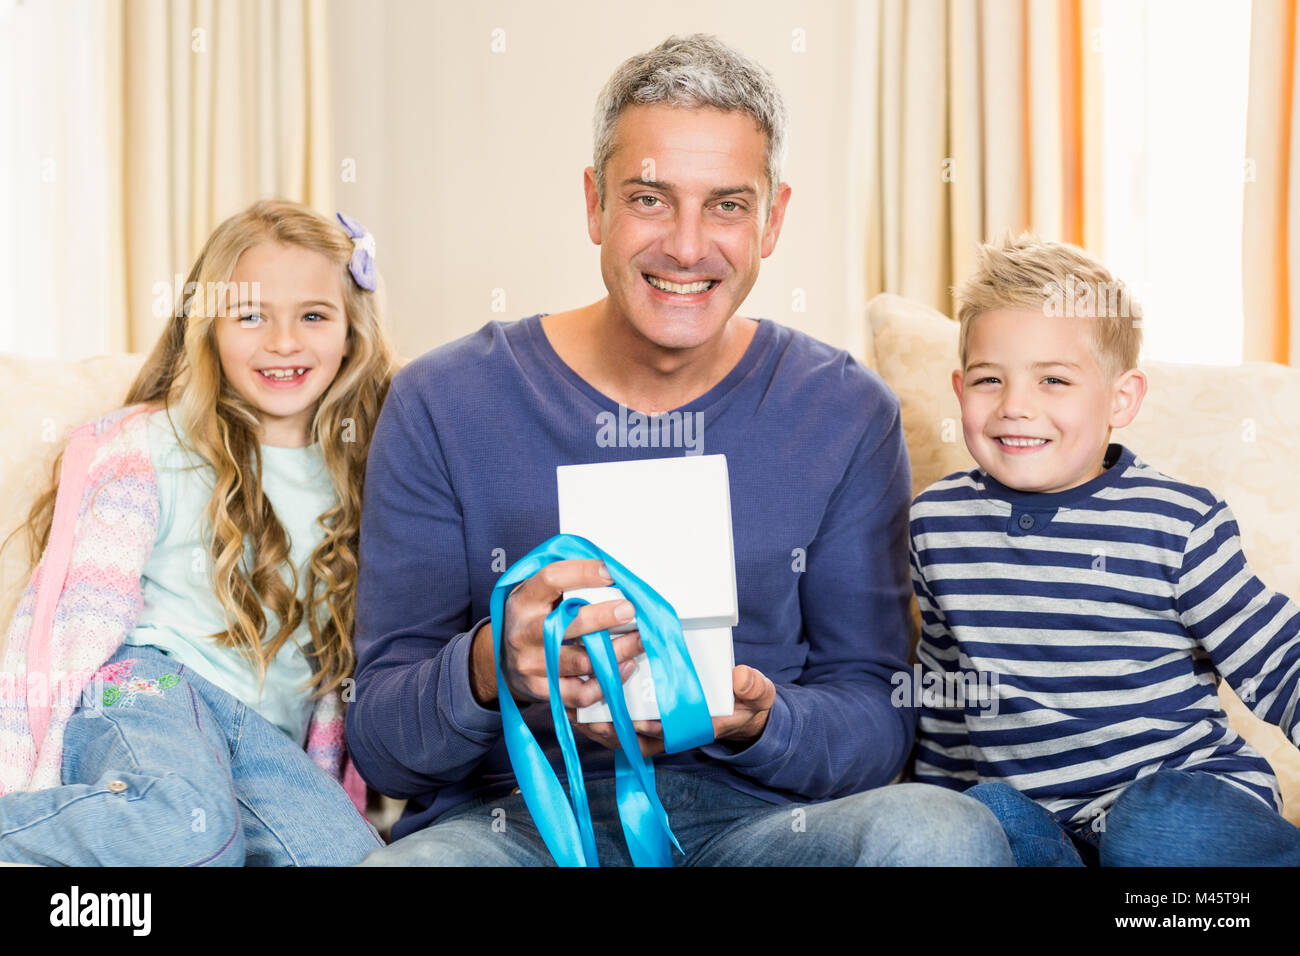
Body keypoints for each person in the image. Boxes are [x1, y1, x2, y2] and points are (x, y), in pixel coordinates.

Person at [349, 34, 1012, 866]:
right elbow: (382, 744)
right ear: (595, 204)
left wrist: (762, 720)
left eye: (728, 205)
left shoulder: (844, 412)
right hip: (517, 820)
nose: (689, 247)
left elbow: (876, 719)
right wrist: (492, 667)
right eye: (651, 200)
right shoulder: (443, 403)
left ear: (773, 219)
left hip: (762, 822)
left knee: (941, 834)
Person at [0, 199, 398, 865]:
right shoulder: (152, 444)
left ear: (352, 331)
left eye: (313, 315)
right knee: (184, 830)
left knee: (351, 861)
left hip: (263, 738)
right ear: (208, 325)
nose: (283, 341)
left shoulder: (368, 464)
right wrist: (26, 756)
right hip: (149, 688)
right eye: (251, 315)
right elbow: (68, 623)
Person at [909, 232, 1300, 866]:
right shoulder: (936, 521)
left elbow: (1280, 660)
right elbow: (948, 686)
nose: (1015, 407)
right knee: (985, 815)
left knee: (1152, 825)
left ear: (1121, 398)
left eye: (1053, 380)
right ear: (959, 390)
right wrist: (936, 810)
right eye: (989, 380)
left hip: (1183, 801)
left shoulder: (1177, 522)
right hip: (1045, 822)